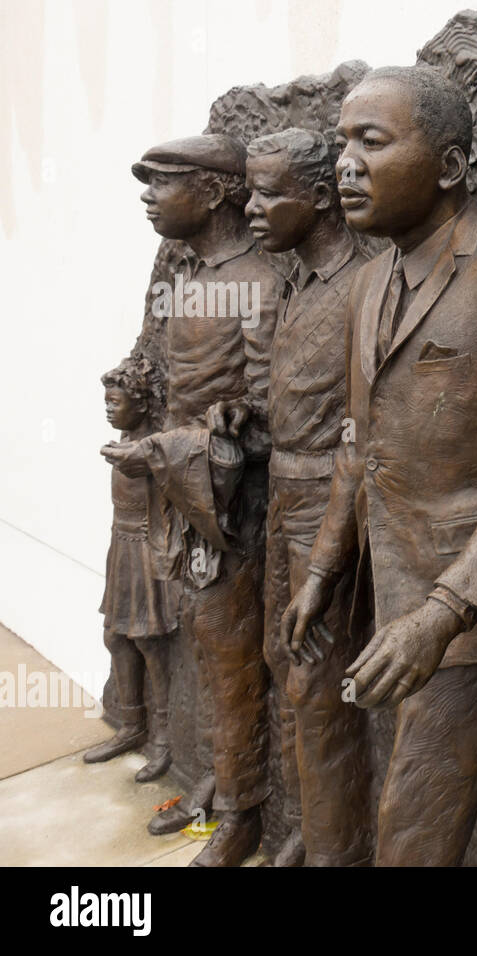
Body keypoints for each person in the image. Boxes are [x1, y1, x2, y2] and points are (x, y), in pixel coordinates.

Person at [280, 65, 477, 866]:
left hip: (475, 625)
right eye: (343, 142)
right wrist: (324, 569)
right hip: (390, 604)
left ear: (448, 166)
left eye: (371, 143)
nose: (346, 164)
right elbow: (360, 438)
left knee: (411, 836)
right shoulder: (370, 279)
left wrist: (442, 615)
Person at [104, 133, 280, 865]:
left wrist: (175, 451)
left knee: (236, 658)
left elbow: (274, 415)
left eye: (162, 182)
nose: (147, 196)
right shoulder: (188, 277)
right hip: (189, 497)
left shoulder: (261, 282)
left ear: (213, 192)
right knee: (211, 655)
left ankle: (242, 809)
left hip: (236, 510)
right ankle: (221, 775)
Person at [226, 127, 372, 866]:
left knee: (319, 683)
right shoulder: (293, 284)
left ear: (319, 199)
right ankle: (309, 830)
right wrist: (242, 420)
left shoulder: (365, 289)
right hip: (283, 494)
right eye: (250, 189)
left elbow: (362, 432)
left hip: (330, 507)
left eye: (268, 192)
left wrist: (329, 555)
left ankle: (337, 852)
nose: (251, 208)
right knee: (287, 668)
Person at [87, 356, 179, 783]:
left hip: (146, 547)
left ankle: (163, 739)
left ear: (140, 404)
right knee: (115, 636)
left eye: (115, 401)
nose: (108, 408)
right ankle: (131, 724)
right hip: (120, 545)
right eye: (106, 400)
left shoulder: (152, 446)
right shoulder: (125, 437)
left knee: (148, 642)